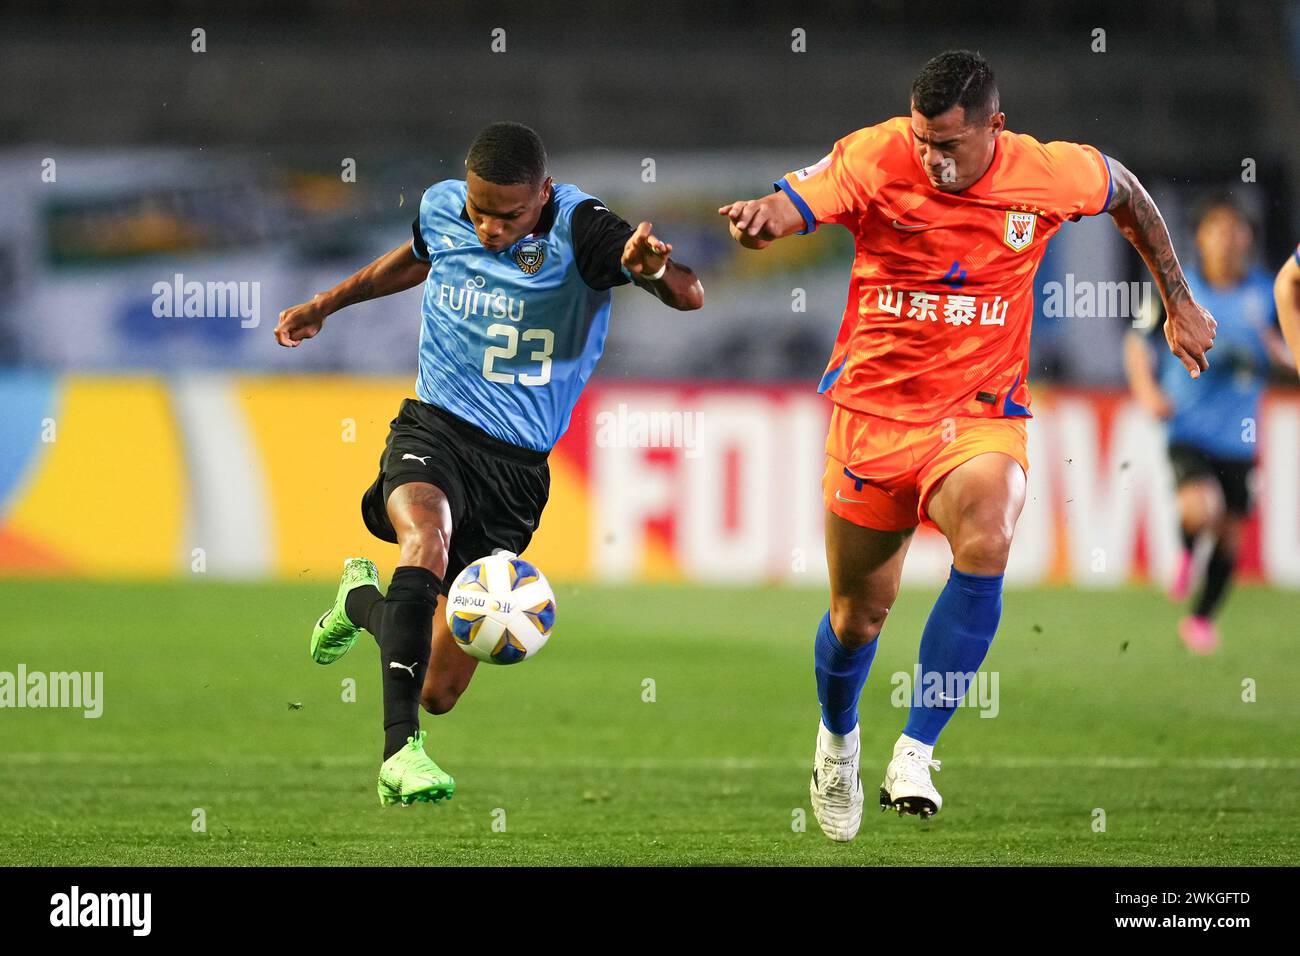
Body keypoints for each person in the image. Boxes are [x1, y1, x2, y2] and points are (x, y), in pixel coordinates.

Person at [718, 50, 1215, 841]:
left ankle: (916, 749)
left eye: (948, 144)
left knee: (988, 526)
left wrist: (1178, 300)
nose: (932, 157)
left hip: (979, 411)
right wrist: (763, 217)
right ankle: (837, 739)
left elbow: (1126, 191)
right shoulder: (876, 155)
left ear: (995, 129)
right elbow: (797, 202)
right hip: (874, 416)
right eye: (924, 140)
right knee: (857, 619)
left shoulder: (1047, 174)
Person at [274, 122, 703, 805]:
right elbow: (416, 258)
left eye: (507, 217)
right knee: (425, 539)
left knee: (438, 689)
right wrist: (327, 304)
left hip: (515, 473)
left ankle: (359, 598)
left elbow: (685, 292)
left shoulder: (583, 229)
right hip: (433, 429)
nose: (488, 231)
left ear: (544, 195)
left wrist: (654, 273)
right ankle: (399, 754)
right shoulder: (445, 207)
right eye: (479, 212)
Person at [1125, 196, 1294, 653]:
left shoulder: (1268, 294)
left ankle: (1199, 620)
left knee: (1232, 534)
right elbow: (1138, 343)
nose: (1228, 239)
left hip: (1240, 437)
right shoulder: (1176, 288)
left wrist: (1278, 358)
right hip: (1188, 428)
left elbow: (1289, 355)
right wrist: (1146, 390)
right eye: (1218, 229)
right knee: (1202, 507)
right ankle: (1184, 551)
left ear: (1250, 240)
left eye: (1237, 230)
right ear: (1200, 238)